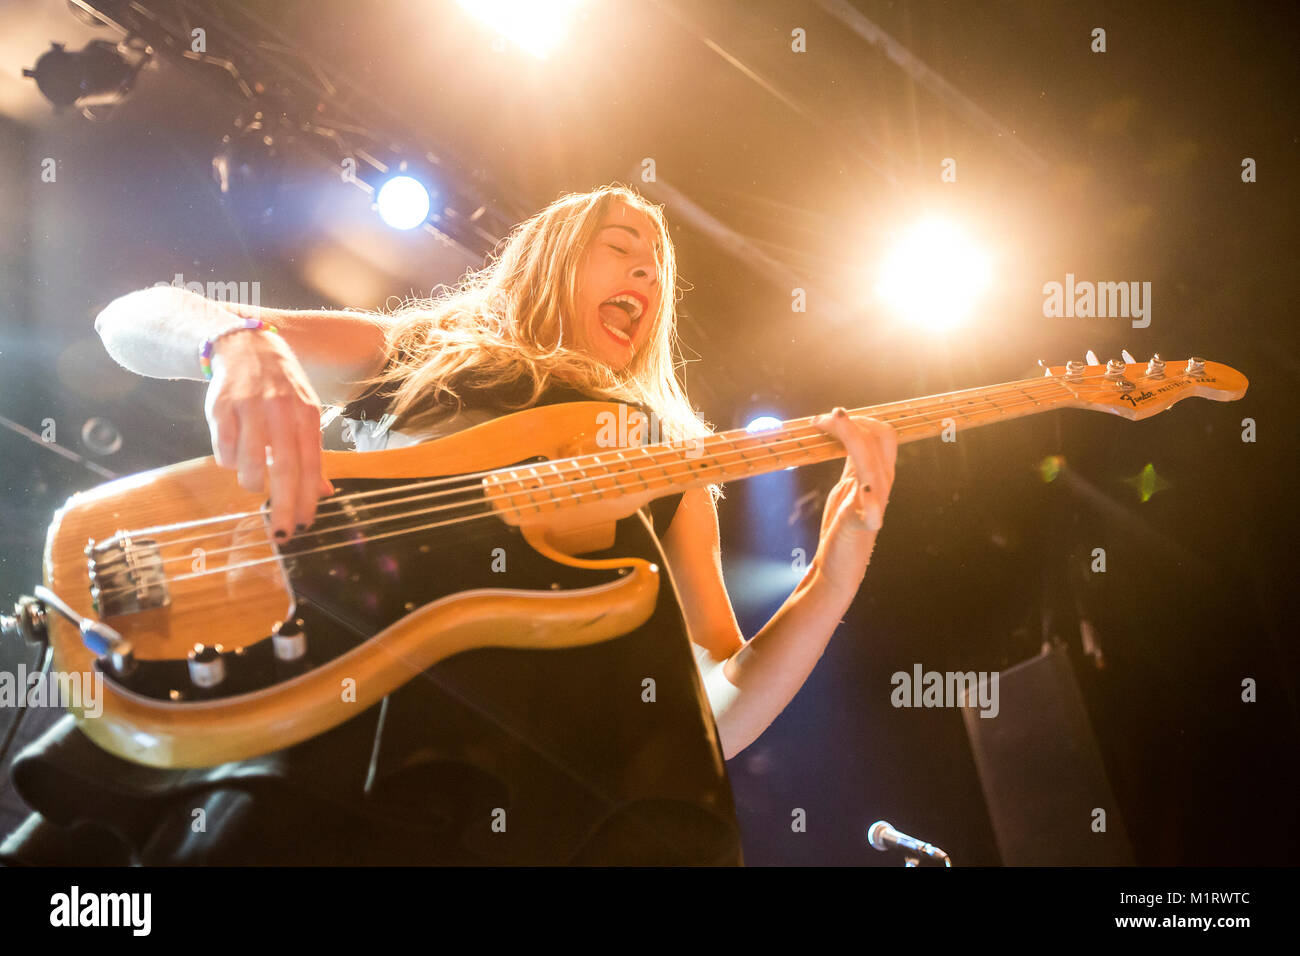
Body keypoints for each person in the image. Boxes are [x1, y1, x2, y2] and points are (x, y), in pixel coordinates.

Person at [1, 184, 897, 866]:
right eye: (622, 248)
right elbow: (126, 322)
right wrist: (234, 341)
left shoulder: (667, 468)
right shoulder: (420, 356)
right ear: (548, 262)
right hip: (322, 716)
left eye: (657, 268)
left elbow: (711, 717)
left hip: (508, 802)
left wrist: (836, 573)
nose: (647, 275)